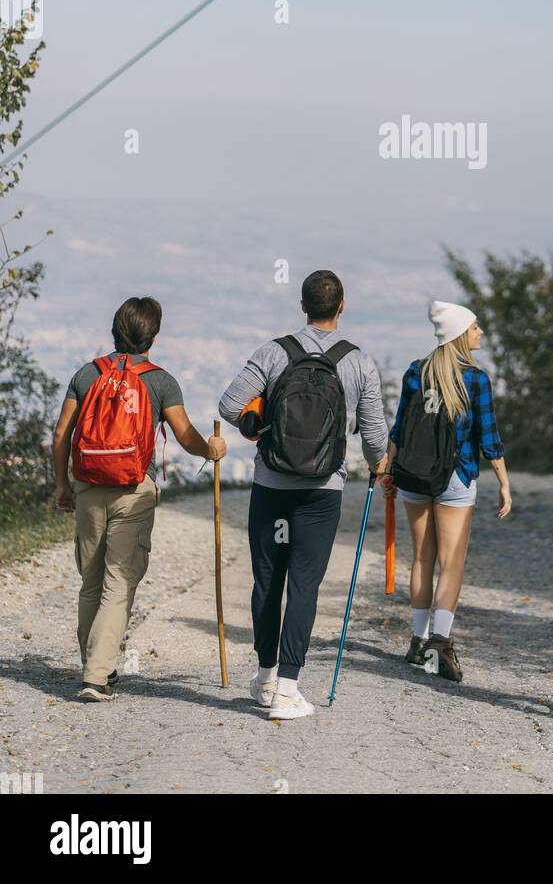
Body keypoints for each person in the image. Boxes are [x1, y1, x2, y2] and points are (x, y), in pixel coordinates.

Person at [218, 269, 389, 721]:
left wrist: (256, 427)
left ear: (302, 305)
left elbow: (229, 405)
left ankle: (265, 676)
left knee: (268, 580)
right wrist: (378, 464)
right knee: (305, 586)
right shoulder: (358, 362)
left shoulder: (274, 352)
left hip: (271, 486)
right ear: (342, 305)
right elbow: (374, 434)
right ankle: (289, 690)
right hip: (321, 492)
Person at [52, 296, 226, 703]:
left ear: (116, 329)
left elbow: (62, 433)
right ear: (154, 335)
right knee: (119, 579)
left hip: (89, 487)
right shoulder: (160, 380)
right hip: (134, 490)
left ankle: (97, 664)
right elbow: (184, 435)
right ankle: (97, 675)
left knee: (91, 580)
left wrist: (62, 484)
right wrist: (211, 450)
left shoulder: (87, 373)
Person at [382, 300, 511, 683]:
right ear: (459, 334)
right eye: (474, 327)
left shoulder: (414, 372)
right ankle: (440, 642)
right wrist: (504, 483)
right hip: (456, 478)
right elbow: (489, 439)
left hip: (415, 477)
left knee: (422, 559)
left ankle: (417, 640)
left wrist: (389, 470)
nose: (480, 333)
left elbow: (399, 429)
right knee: (451, 562)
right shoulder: (475, 379)